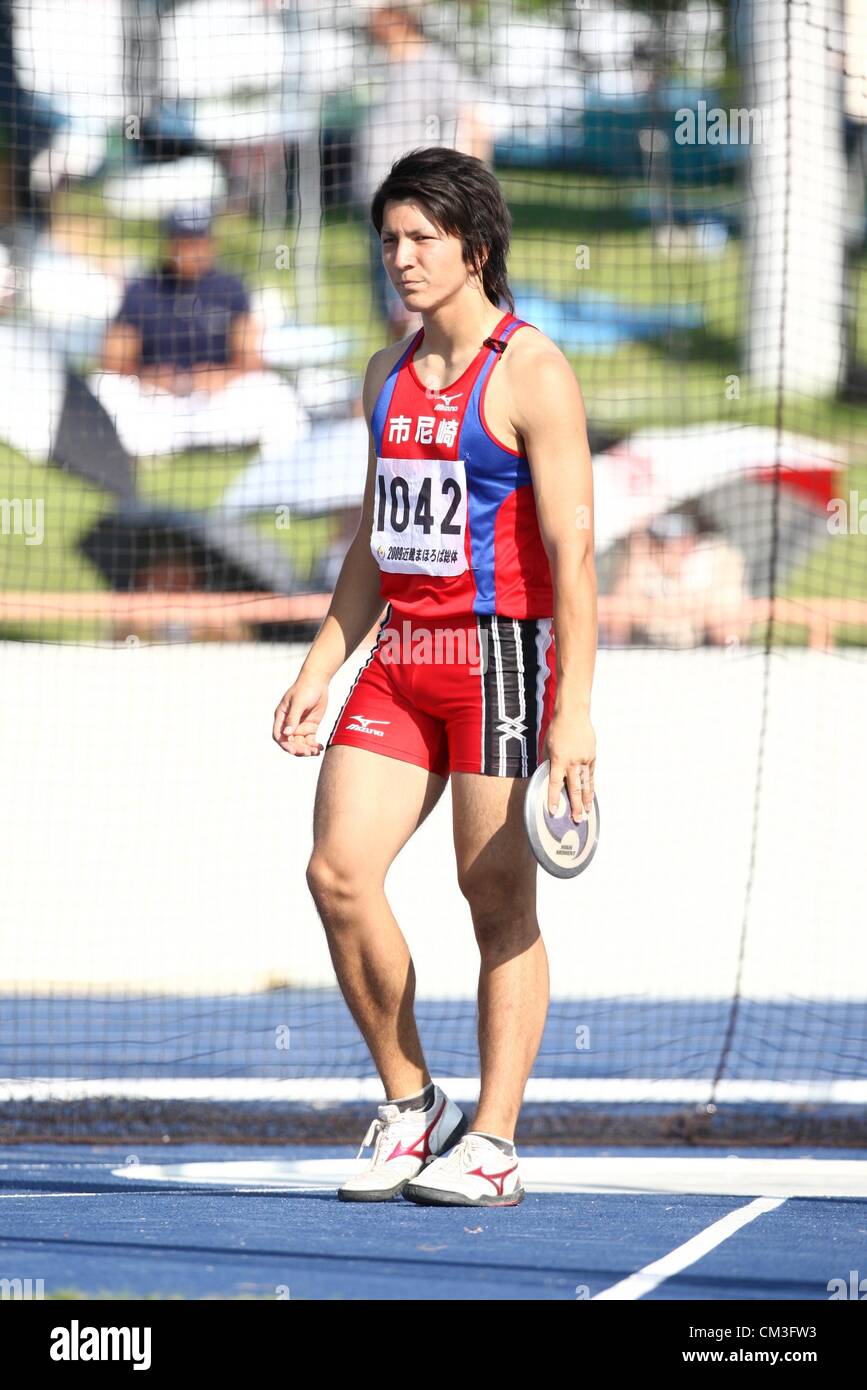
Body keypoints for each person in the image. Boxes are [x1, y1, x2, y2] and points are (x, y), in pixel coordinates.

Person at [272, 146, 597, 1207]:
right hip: (400, 665)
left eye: (421, 239)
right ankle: (414, 1104)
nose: (401, 259)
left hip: (500, 658)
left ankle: (494, 1142)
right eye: (389, 240)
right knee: (337, 874)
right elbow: (373, 539)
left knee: (492, 894)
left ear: (478, 248)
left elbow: (575, 549)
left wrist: (575, 715)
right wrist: (324, 662)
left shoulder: (531, 370)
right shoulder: (385, 374)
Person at [90, 208, 309, 466]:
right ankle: (145, 450)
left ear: (210, 243)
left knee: (274, 391)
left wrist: (220, 375)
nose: (190, 250)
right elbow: (113, 360)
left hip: (214, 402)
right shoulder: (142, 290)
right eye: (183, 242)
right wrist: (149, 376)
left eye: (197, 242)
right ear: (169, 244)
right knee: (102, 385)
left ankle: (284, 464)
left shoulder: (231, 288)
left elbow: (252, 359)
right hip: (159, 403)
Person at [355, 1, 493, 339]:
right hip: (383, 216)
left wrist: (466, 195)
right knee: (392, 309)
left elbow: (475, 124)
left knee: (420, 312)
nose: (369, 21)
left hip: (420, 215)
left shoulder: (433, 65)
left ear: (397, 17)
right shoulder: (384, 67)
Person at [604, 510, 751, 648]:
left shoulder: (714, 558)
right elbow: (618, 612)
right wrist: (637, 553)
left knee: (728, 628)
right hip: (655, 652)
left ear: (688, 541)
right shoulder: (645, 564)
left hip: (708, 651)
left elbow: (724, 622)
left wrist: (659, 610)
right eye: (656, 543)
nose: (659, 550)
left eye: (666, 543)